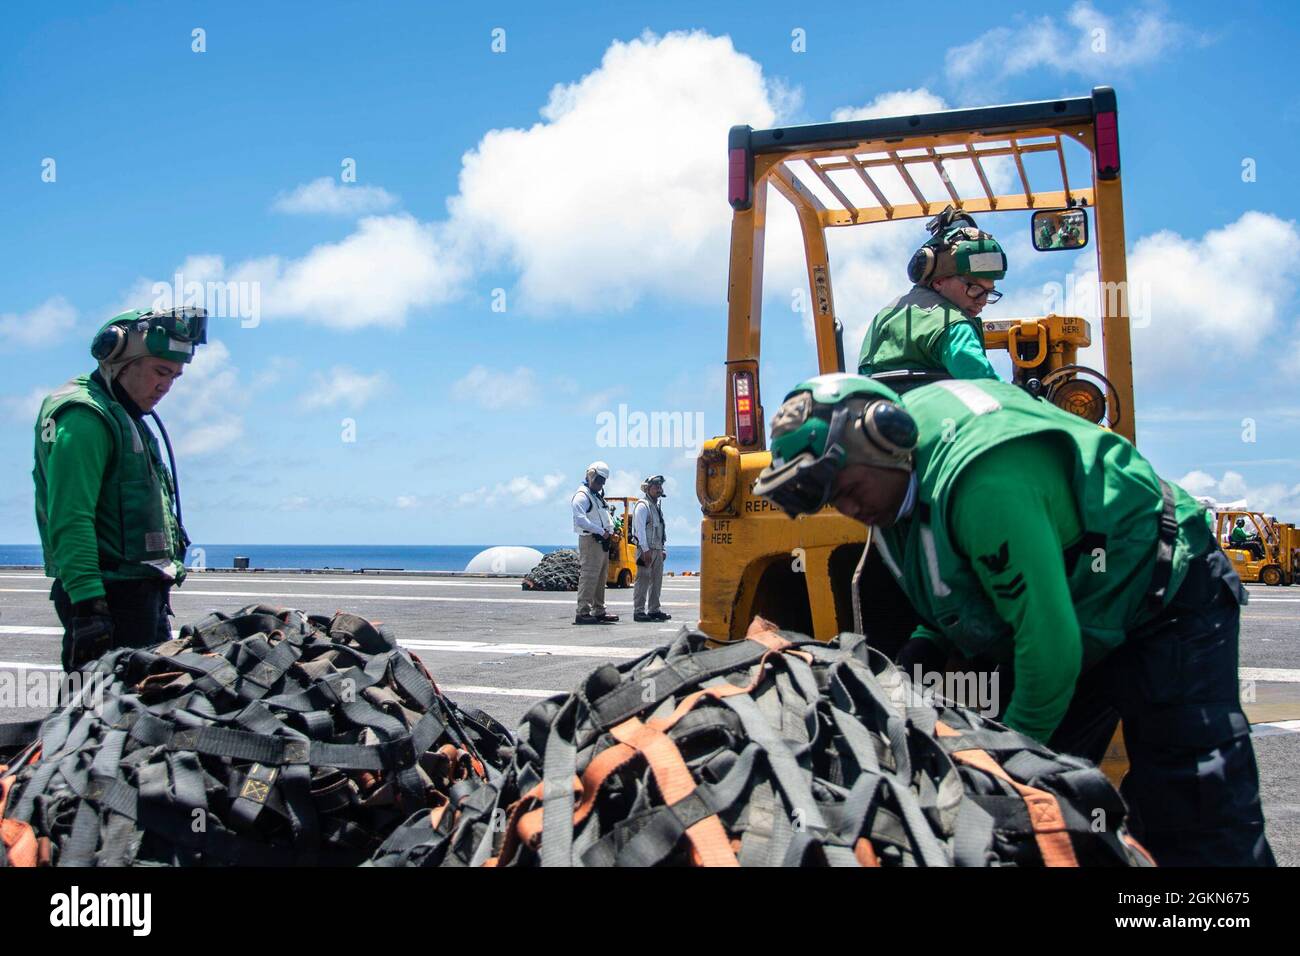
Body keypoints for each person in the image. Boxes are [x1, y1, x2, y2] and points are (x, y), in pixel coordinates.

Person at [752, 372, 1275, 866]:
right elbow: (959, 570)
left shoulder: (984, 482)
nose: (848, 509)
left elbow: (1050, 655)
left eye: (845, 490)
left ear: (883, 437)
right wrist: (927, 639)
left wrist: (1001, 770)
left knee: (1192, 803)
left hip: (1164, 595)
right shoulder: (894, 486)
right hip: (1076, 611)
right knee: (1056, 801)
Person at [33, 308, 207, 671]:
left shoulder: (124, 413)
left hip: (140, 595)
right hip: (109, 599)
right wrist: (89, 607)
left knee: (140, 716)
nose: (166, 386)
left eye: (175, 376)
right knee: (97, 718)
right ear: (117, 358)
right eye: (160, 371)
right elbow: (70, 516)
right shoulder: (84, 416)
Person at [857, 205, 1007, 393]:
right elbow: (990, 389)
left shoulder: (885, 316)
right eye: (975, 288)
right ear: (939, 281)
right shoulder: (953, 326)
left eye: (989, 292)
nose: (983, 301)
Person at [571, 461, 619, 625]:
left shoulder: (596, 497)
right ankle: (583, 612)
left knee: (600, 577)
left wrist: (611, 530)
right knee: (589, 575)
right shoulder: (582, 496)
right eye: (598, 480)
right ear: (590, 475)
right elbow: (580, 520)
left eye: (602, 481)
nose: (600, 484)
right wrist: (601, 531)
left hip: (602, 541)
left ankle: (599, 610)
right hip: (591, 540)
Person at [631, 475, 670, 623]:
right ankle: (639, 611)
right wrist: (645, 549)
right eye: (656, 486)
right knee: (643, 580)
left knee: (656, 581)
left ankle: (654, 609)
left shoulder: (656, 506)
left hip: (657, 548)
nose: (659, 489)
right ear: (648, 488)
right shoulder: (643, 505)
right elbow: (639, 529)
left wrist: (662, 548)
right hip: (646, 549)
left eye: (660, 486)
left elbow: (660, 529)